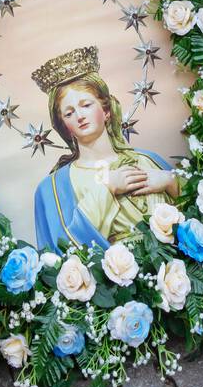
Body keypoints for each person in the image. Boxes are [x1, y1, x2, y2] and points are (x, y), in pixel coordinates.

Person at [31, 47, 176, 251]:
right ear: (64, 125)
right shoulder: (53, 188)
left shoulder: (148, 161)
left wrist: (171, 181)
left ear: (106, 110)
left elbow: (195, 218)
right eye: (69, 113)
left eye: (86, 105)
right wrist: (107, 189)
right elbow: (60, 252)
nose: (80, 116)